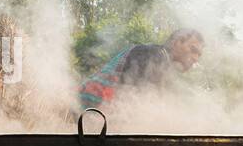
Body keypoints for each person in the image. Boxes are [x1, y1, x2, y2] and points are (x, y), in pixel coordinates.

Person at [76, 29, 204, 114]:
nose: (195, 58)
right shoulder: (154, 55)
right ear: (177, 42)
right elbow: (133, 101)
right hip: (84, 115)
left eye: (199, 55)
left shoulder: (161, 60)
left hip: (91, 116)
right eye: (193, 50)